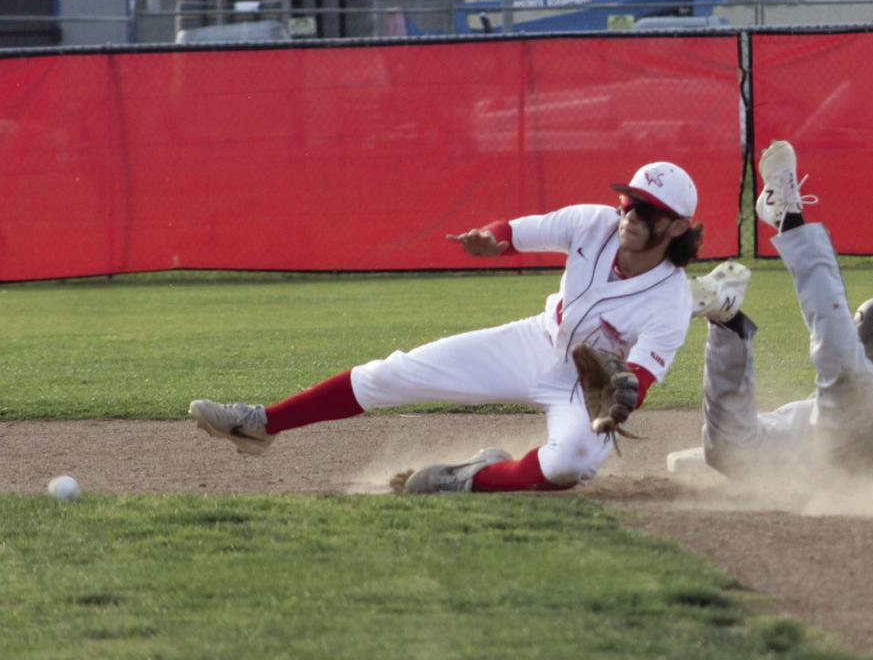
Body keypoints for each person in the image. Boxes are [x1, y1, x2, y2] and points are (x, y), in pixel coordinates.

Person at [190, 161, 704, 493]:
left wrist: (618, 399)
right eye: (629, 200)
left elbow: (638, 381)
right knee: (394, 374)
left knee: (569, 464)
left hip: (580, 389)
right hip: (534, 341)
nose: (631, 214)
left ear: (677, 227)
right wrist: (491, 238)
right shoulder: (591, 223)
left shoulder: (671, 300)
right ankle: (262, 423)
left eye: (649, 211)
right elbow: (516, 232)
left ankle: (470, 480)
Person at [669, 139, 873, 482]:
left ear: (862, 339)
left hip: (809, 420)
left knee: (730, 451)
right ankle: (787, 217)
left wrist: (697, 459)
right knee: (840, 370)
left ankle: (728, 322)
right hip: (842, 432)